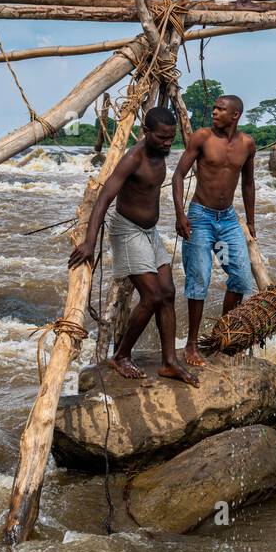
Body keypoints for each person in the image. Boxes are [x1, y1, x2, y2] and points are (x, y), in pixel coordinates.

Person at [67, 107, 197, 385]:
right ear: (146, 132)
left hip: (149, 232)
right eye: (162, 137)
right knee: (152, 296)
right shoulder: (133, 158)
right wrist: (90, 242)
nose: (167, 143)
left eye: (171, 137)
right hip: (127, 231)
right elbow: (103, 199)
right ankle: (121, 356)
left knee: (168, 292)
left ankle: (169, 363)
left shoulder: (160, 154)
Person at [171, 94, 257, 367]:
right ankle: (192, 344)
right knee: (199, 279)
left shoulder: (247, 144)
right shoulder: (202, 137)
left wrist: (252, 221)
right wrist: (180, 213)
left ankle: (222, 334)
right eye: (215, 108)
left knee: (242, 278)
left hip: (229, 218)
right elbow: (178, 175)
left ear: (235, 115)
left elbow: (248, 184)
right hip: (200, 216)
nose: (215, 113)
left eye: (221, 110)